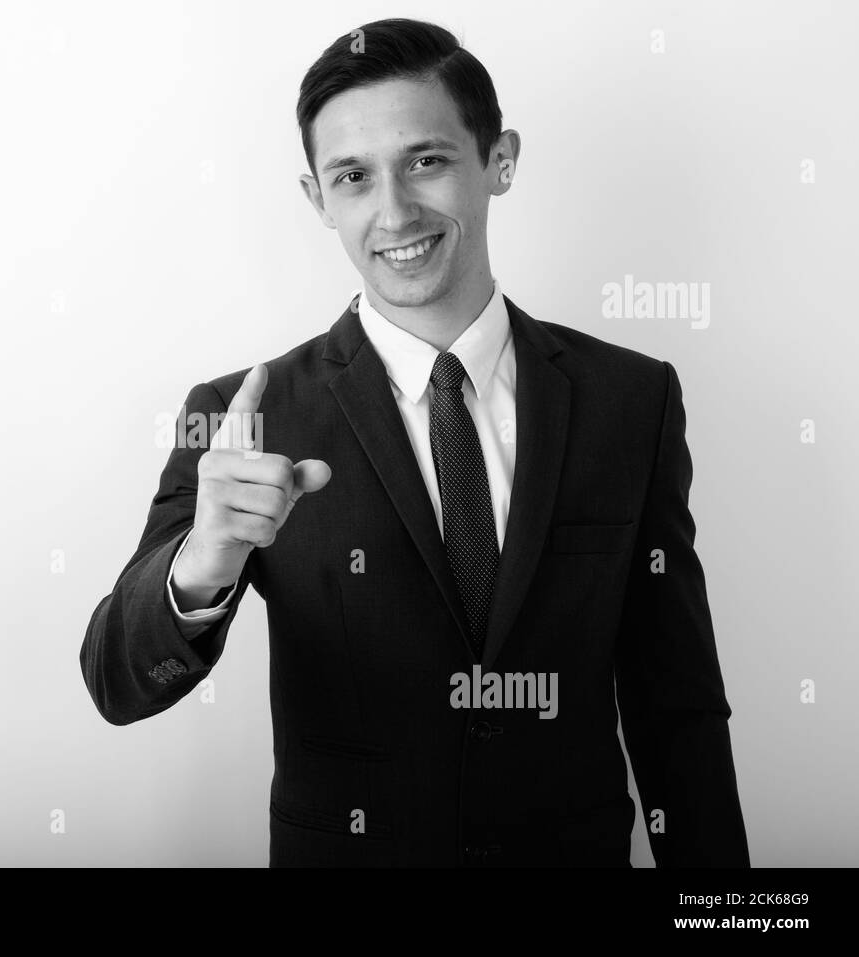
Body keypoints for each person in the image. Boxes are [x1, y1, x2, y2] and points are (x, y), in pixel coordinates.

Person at [80, 17, 749, 867]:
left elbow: (676, 704)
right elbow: (117, 681)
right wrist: (201, 565)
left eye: (426, 161)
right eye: (352, 177)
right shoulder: (244, 418)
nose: (393, 210)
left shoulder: (631, 400)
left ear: (499, 161)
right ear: (318, 199)